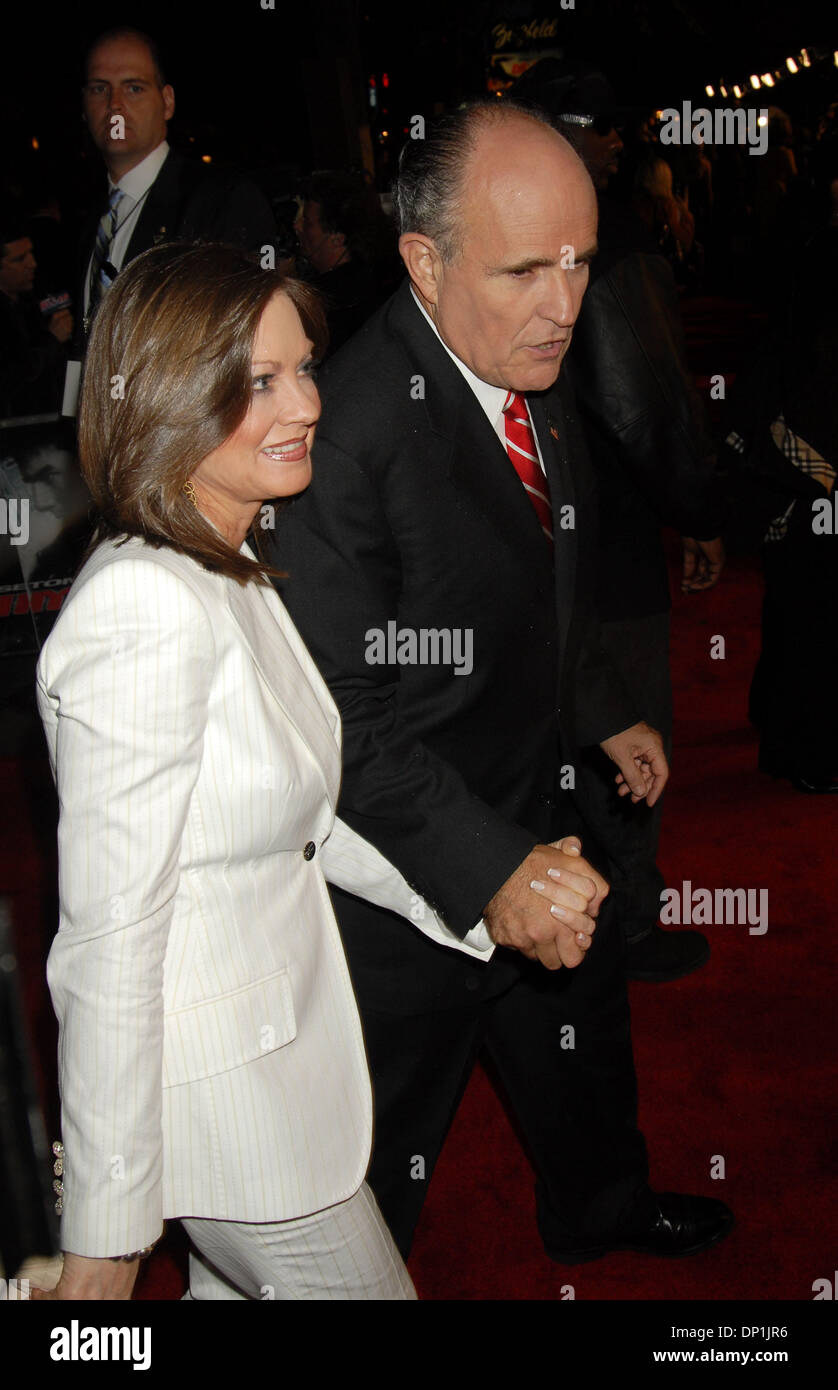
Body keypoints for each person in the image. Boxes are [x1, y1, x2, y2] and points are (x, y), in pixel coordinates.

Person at [266, 102, 734, 1263]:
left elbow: (525, 585)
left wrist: (594, 707)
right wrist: (491, 870)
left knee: (585, 1058)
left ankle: (603, 1210)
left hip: (546, 819)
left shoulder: (517, 348)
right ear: (422, 262)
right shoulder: (339, 436)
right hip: (404, 882)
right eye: (526, 267)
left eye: (580, 261)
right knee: (370, 1181)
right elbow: (342, 726)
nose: (565, 303)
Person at [31, 242, 416, 1300]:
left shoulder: (224, 557)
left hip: (274, 1075)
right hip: (232, 1112)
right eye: (258, 381)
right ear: (166, 400)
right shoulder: (144, 606)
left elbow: (302, 814)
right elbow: (107, 937)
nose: (304, 404)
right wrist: (104, 1236)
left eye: (303, 367)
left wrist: (483, 902)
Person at [509, 60, 724, 981]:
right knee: (628, 732)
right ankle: (625, 923)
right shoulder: (611, 236)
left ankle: (575, 904)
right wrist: (701, 511)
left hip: (535, 525)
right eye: (603, 127)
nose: (617, 142)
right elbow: (644, 407)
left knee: (562, 720)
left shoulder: (517, 230)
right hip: (608, 537)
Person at [76, 28, 276, 342]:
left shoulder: (222, 201)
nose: (115, 105)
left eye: (134, 88)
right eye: (100, 89)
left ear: (167, 102)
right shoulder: (87, 220)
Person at [294, 170, 400, 354]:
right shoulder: (378, 281)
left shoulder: (326, 303)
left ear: (337, 239)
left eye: (307, 222)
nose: (297, 226)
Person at [0, 202, 73, 417]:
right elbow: (12, 380)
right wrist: (52, 340)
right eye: (19, 259)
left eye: (30, 253)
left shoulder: (35, 298)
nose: (32, 263)